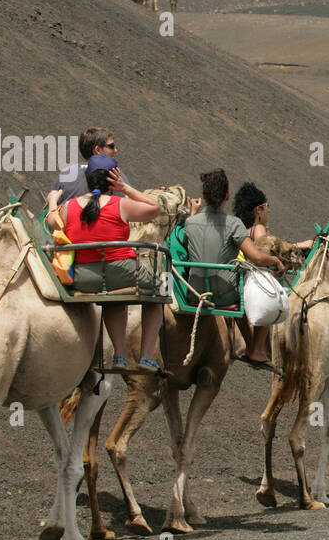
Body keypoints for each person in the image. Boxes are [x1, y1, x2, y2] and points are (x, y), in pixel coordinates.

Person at [61, 155, 167, 376]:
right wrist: (125, 188)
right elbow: (155, 208)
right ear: (113, 180)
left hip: (84, 277)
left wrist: (53, 201)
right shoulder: (121, 204)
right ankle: (147, 357)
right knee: (162, 289)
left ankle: (119, 354)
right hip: (123, 271)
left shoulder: (67, 207)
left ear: (87, 180)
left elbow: (51, 221)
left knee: (112, 295)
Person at [184, 171, 285, 370]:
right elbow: (256, 257)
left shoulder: (190, 222)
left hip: (194, 291)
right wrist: (275, 260)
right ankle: (255, 349)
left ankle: (249, 346)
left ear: (204, 196)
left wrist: (192, 212)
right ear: (227, 196)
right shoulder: (234, 224)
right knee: (266, 289)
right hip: (222, 294)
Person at [46, 128, 128, 229]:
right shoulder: (115, 174)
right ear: (97, 150)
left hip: (69, 239)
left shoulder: (66, 173)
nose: (115, 150)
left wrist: (52, 200)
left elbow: (54, 213)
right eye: (111, 146)